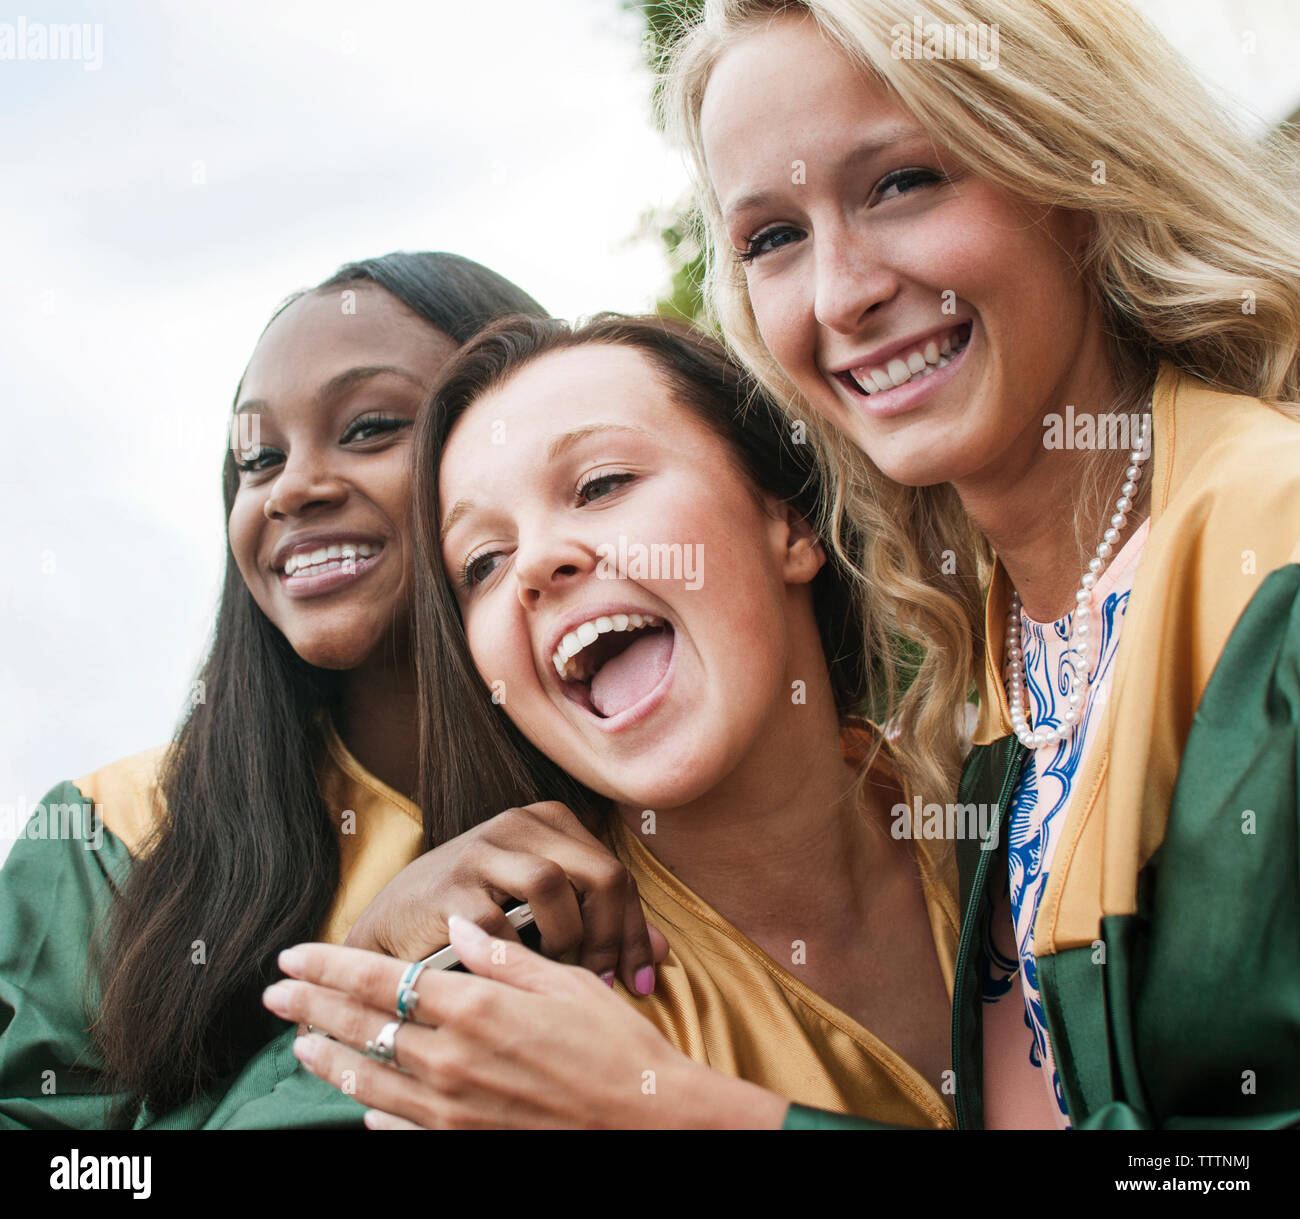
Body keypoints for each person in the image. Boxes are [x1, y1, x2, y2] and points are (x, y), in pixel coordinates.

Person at [274, 0, 1300, 1130]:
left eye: (902, 181)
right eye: (770, 238)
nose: (838, 292)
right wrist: (368, 972)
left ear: (1064, 159)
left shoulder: (1267, 549)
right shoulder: (1008, 678)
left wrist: (673, 1113)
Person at [265, 312, 959, 1126]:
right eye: (481, 564)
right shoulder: (508, 1032)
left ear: (791, 525)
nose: (533, 563)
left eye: (601, 485)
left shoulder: (1019, 812)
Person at [0, 251, 553, 1129]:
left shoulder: (655, 795)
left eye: (370, 427)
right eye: (258, 458)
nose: (292, 487)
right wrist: (368, 992)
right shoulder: (107, 838)